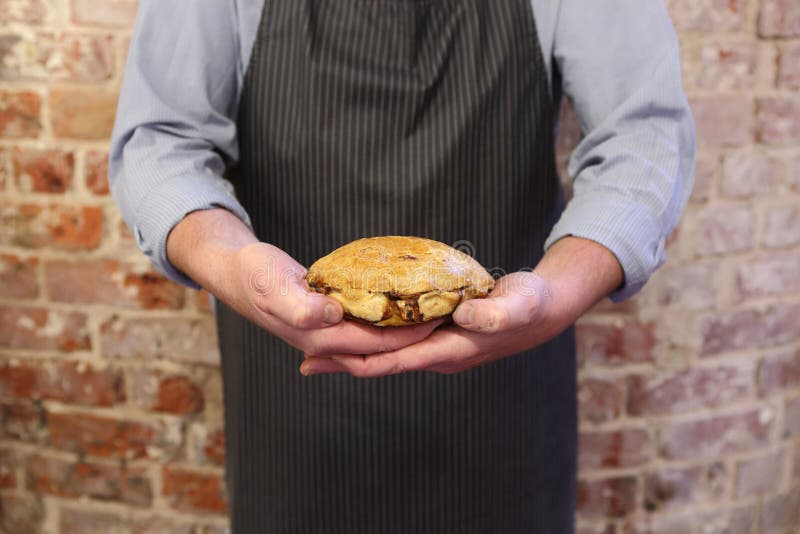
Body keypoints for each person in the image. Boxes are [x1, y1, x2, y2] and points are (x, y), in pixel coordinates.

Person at [110, 0, 695, 531]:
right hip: (295, 399)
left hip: (504, 397)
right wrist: (233, 264)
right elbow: (162, 141)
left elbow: (641, 139)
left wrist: (556, 295)